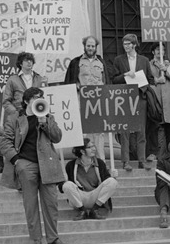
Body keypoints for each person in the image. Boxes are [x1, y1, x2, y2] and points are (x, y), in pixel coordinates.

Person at [0, 86, 70, 244]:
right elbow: (5, 142)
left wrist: (45, 124)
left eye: (41, 97)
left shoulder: (47, 116)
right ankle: (37, 239)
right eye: (35, 98)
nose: (39, 100)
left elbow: (57, 137)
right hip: (26, 164)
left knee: (51, 203)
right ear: (26, 101)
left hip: (47, 164)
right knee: (30, 205)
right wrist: (17, 161)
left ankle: (53, 238)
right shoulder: (15, 118)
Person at [106, 33, 152, 171]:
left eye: (128, 44)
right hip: (125, 98)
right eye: (124, 44)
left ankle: (141, 160)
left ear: (134, 45)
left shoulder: (144, 60)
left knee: (141, 130)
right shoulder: (119, 60)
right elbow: (114, 79)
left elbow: (150, 78)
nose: (125, 46)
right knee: (124, 130)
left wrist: (143, 84)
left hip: (140, 97)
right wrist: (126, 75)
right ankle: (125, 161)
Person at [64, 34, 108, 158]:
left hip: (98, 101)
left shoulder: (101, 62)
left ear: (96, 47)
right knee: (83, 131)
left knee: (99, 131)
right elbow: (70, 80)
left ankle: (101, 161)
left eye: (92, 46)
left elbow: (106, 81)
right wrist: (75, 85)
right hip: (81, 100)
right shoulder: (76, 62)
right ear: (84, 46)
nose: (90, 48)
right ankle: (84, 158)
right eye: (88, 45)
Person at [60, 137, 119, 220]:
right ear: (82, 151)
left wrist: (113, 176)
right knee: (67, 185)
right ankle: (82, 211)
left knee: (112, 182)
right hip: (79, 198)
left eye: (93, 146)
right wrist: (64, 181)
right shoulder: (71, 165)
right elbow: (62, 189)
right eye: (90, 147)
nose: (94, 149)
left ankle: (94, 210)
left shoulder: (100, 163)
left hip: (95, 197)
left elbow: (106, 181)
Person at [2, 51, 45, 119]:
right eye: (26, 60)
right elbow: (6, 101)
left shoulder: (40, 79)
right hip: (19, 115)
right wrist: (15, 113)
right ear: (20, 63)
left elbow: (44, 97)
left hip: (37, 114)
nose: (29, 62)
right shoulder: (12, 79)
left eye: (31, 60)